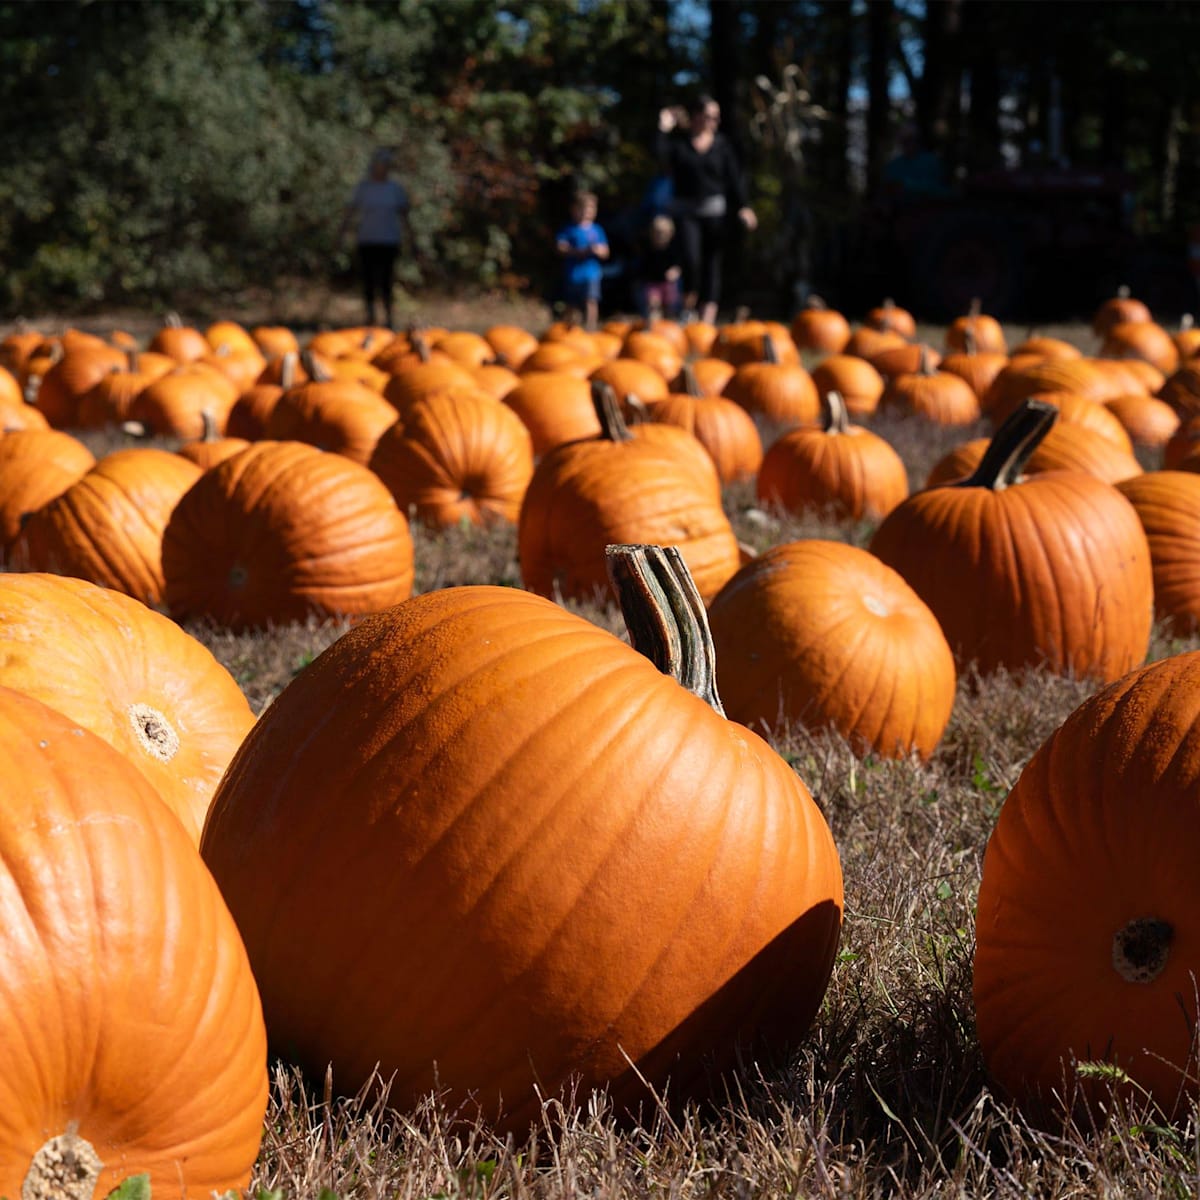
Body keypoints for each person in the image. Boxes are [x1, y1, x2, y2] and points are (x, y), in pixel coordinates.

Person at [656, 95, 758, 325]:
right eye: (709, 116)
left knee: (712, 264)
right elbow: (661, 160)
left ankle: (706, 321)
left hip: (715, 212)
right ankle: (687, 309)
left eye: (716, 117)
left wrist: (743, 206)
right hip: (686, 212)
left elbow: (734, 179)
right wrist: (663, 129)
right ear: (696, 116)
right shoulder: (680, 145)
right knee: (691, 260)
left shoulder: (722, 145)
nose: (714, 121)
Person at [339, 148, 411, 329]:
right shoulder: (364, 188)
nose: (382, 169)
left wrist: (411, 238)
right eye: (379, 165)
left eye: (385, 166)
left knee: (387, 281)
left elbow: (404, 216)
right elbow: (351, 212)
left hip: (389, 241)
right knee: (368, 281)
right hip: (367, 240)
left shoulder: (395, 190)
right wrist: (342, 233)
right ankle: (370, 317)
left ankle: (388, 318)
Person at [554, 191, 610, 331]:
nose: (587, 212)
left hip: (591, 274)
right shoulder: (569, 229)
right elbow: (560, 247)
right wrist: (576, 252)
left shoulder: (597, 230)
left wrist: (597, 250)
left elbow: (605, 251)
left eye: (591, 209)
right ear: (574, 209)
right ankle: (568, 329)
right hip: (573, 273)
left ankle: (591, 329)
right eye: (583, 209)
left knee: (591, 300)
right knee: (571, 303)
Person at [634, 214, 683, 320]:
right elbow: (643, 267)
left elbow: (678, 265)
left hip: (668, 284)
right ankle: (654, 326)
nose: (660, 236)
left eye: (663, 233)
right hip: (652, 284)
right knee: (653, 306)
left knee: (669, 307)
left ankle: (668, 324)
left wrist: (675, 271)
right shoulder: (648, 250)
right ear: (652, 233)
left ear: (670, 234)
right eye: (657, 233)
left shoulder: (672, 250)